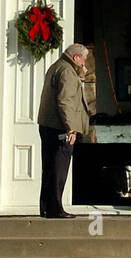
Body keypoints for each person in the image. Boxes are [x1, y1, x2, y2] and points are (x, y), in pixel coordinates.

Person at [37, 43, 91, 218]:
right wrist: (71, 129)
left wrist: (80, 74)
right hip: (59, 128)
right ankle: (55, 208)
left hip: (48, 125)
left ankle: (46, 206)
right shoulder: (67, 72)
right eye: (84, 59)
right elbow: (65, 101)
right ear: (76, 58)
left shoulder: (57, 67)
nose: (86, 63)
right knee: (59, 167)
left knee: (49, 167)